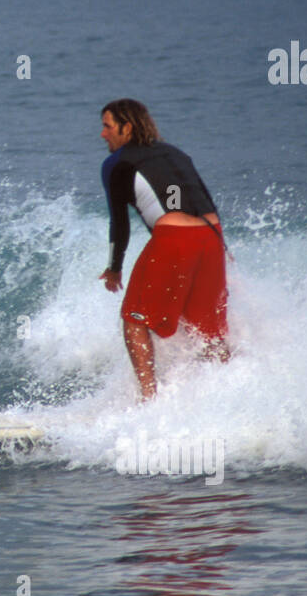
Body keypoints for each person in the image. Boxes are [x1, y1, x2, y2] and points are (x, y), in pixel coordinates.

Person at [97, 99, 230, 398]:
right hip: (212, 237)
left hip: (175, 237)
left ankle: (149, 398)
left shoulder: (117, 164)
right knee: (208, 329)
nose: (103, 135)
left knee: (135, 318)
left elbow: (120, 224)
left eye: (107, 127)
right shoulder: (176, 154)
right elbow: (204, 199)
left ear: (127, 127)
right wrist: (220, 248)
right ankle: (228, 391)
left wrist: (114, 268)